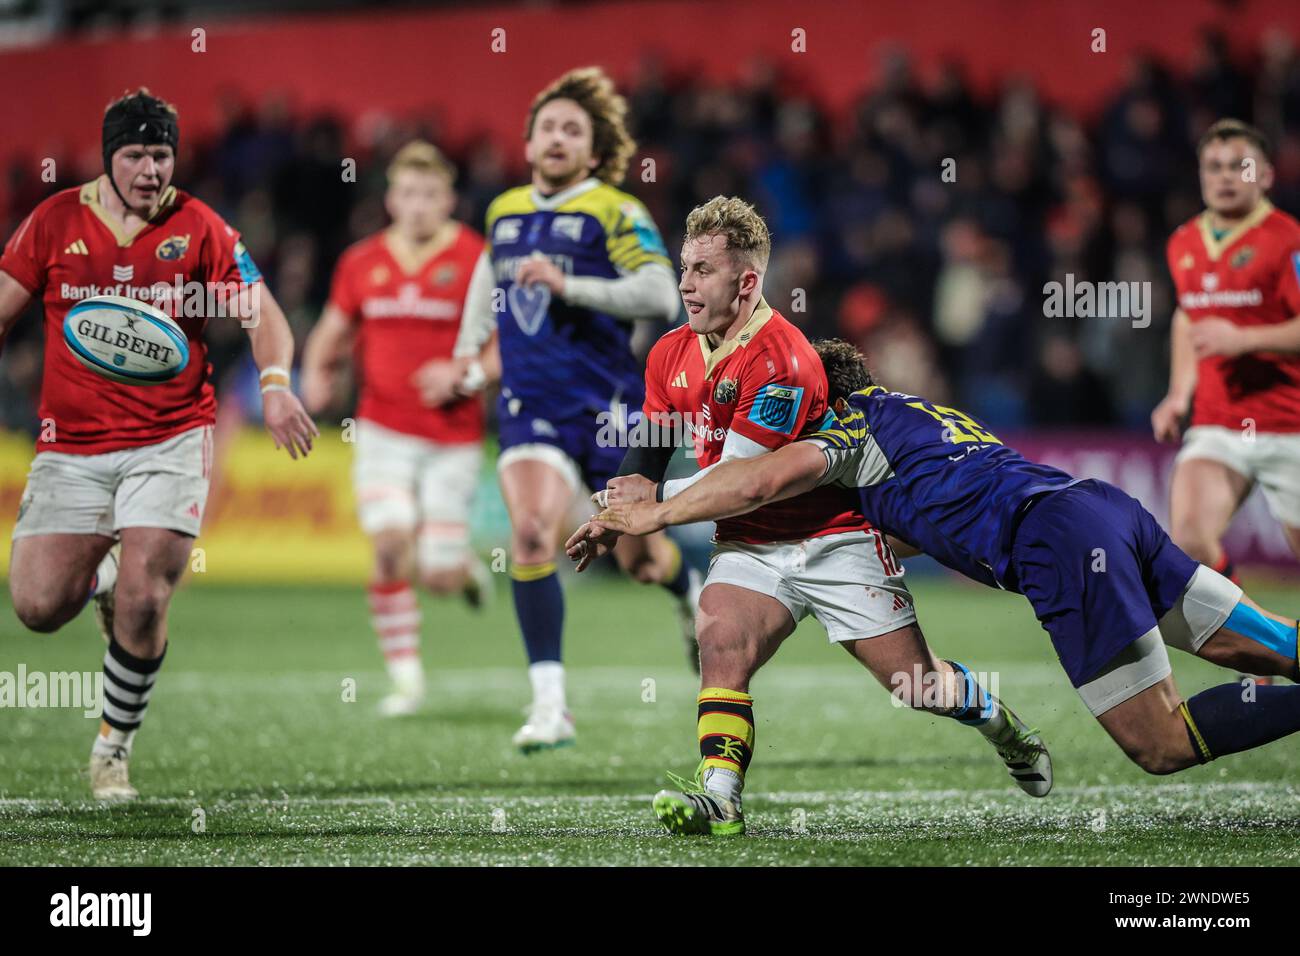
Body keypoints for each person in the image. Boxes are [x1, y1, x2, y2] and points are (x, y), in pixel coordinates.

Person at [582, 339, 1300, 801]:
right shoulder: (915, 412)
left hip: (1057, 546)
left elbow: (761, 481)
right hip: (1104, 509)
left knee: (1161, 743)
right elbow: (939, 503)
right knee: (1266, 644)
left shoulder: (842, 428)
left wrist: (654, 507)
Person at [570, 202, 1051, 837]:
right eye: (684, 267)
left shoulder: (784, 359)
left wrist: (648, 516)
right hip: (750, 544)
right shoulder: (669, 354)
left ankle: (1002, 727)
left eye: (703, 270)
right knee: (720, 640)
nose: (685, 283)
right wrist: (614, 508)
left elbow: (745, 483)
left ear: (746, 282)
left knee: (916, 685)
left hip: (833, 537)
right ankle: (720, 797)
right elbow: (648, 457)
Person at [0, 89, 317, 799]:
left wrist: (273, 383)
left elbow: (262, 313)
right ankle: (99, 581)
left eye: (162, 154)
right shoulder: (54, 222)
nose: (150, 169)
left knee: (148, 596)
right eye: (136, 154)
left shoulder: (198, 227)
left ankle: (112, 747)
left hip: (170, 438)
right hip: (70, 446)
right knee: (38, 607)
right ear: (108, 156)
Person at [420, 67, 701, 752]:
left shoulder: (614, 210)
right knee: (532, 535)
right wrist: (465, 357)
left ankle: (686, 591)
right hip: (528, 406)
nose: (557, 137)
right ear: (529, 141)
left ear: (596, 152)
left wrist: (569, 284)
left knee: (640, 560)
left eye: (573, 129)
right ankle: (551, 706)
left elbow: (661, 294)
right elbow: (490, 275)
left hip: (609, 410)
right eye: (547, 126)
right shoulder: (504, 210)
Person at [301, 141, 490, 715]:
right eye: (407, 193)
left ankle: (465, 574)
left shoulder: (477, 258)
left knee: (436, 573)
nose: (418, 205)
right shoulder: (361, 262)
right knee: (388, 548)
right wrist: (314, 374)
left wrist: (464, 372)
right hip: (381, 429)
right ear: (391, 198)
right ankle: (406, 677)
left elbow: (510, 347)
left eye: (430, 194)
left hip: (453, 437)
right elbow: (332, 329)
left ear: (449, 199)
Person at [1151, 119, 1300, 580]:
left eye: (1240, 166)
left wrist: (1243, 340)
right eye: (1213, 167)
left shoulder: (1288, 239)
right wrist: (1179, 393)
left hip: (1290, 424)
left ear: (1267, 176)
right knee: (1190, 541)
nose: (1225, 177)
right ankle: (1264, 643)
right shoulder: (1183, 243)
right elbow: (1187, 317)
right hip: (1219, 422)